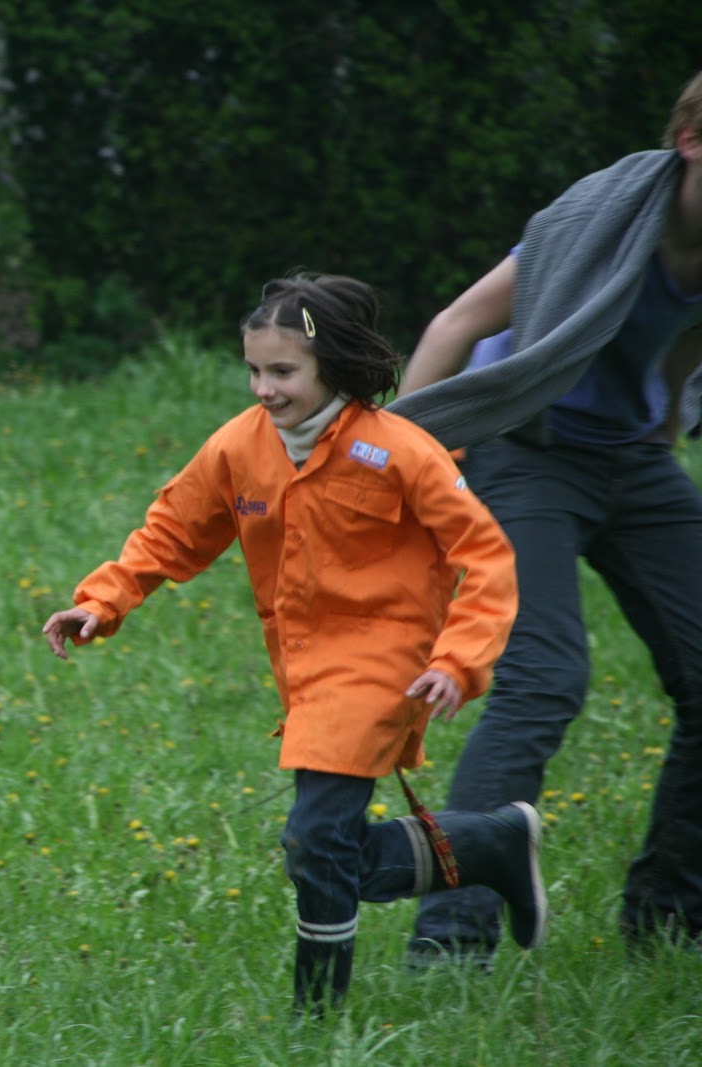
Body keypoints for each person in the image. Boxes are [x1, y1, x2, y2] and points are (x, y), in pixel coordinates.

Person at [42, 273, 543, 1014]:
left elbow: (487, 556)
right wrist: (101, 601)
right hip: (305, 672)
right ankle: (488, 846)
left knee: (314, 839)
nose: (263, 389)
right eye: (254, 370)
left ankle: (315, 1019)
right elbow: (173, 531)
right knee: (328, 850)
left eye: (282, 371)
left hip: (385, 665)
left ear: (331, 365)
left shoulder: (401, 451)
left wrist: (459, 661)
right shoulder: (238, 445)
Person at [390, 70, 702, 966]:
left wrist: (661, 429)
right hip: (527, 445)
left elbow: (683, 342)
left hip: (631, 457)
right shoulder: (600, 217)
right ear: (690, 142)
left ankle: (669, 915)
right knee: (544, 675)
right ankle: (450, 937)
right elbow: (456, 322)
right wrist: (404, 463)